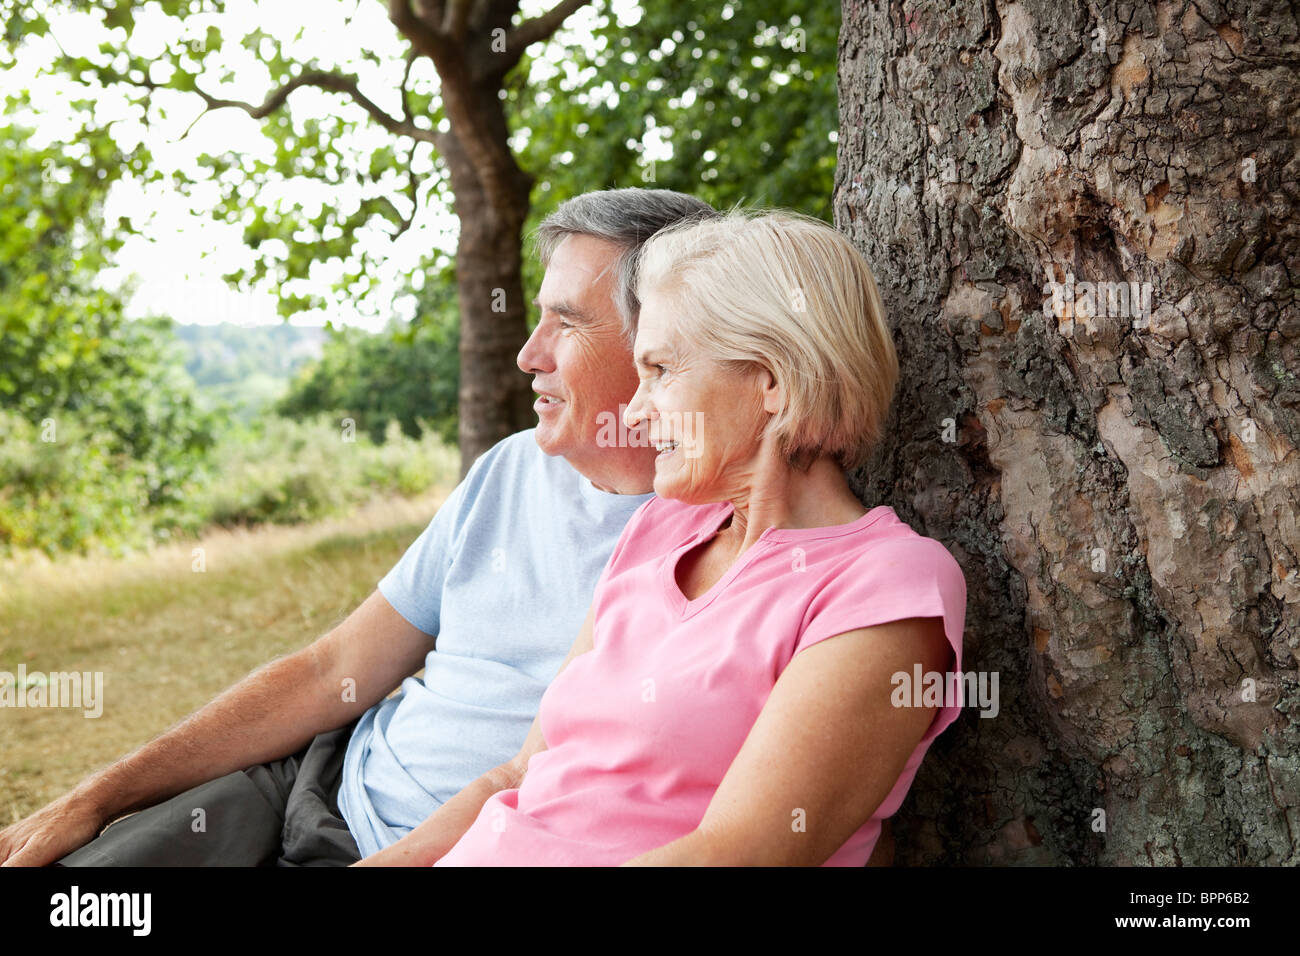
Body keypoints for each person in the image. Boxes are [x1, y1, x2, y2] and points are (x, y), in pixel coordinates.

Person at [0, 188, 718, 867]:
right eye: (538, 318)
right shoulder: (510, 469)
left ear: (662, 342)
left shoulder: (726, 540)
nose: (530, 353)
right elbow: (333, 670)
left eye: (567, 322)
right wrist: (94, 798)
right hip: (316, 789)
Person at [356, 209, 969, 867]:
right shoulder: (661, 528)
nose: (638, 410)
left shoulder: (887, 585)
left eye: (660, 370)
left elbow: (735, 855)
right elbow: (516, 777)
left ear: (771, 380)